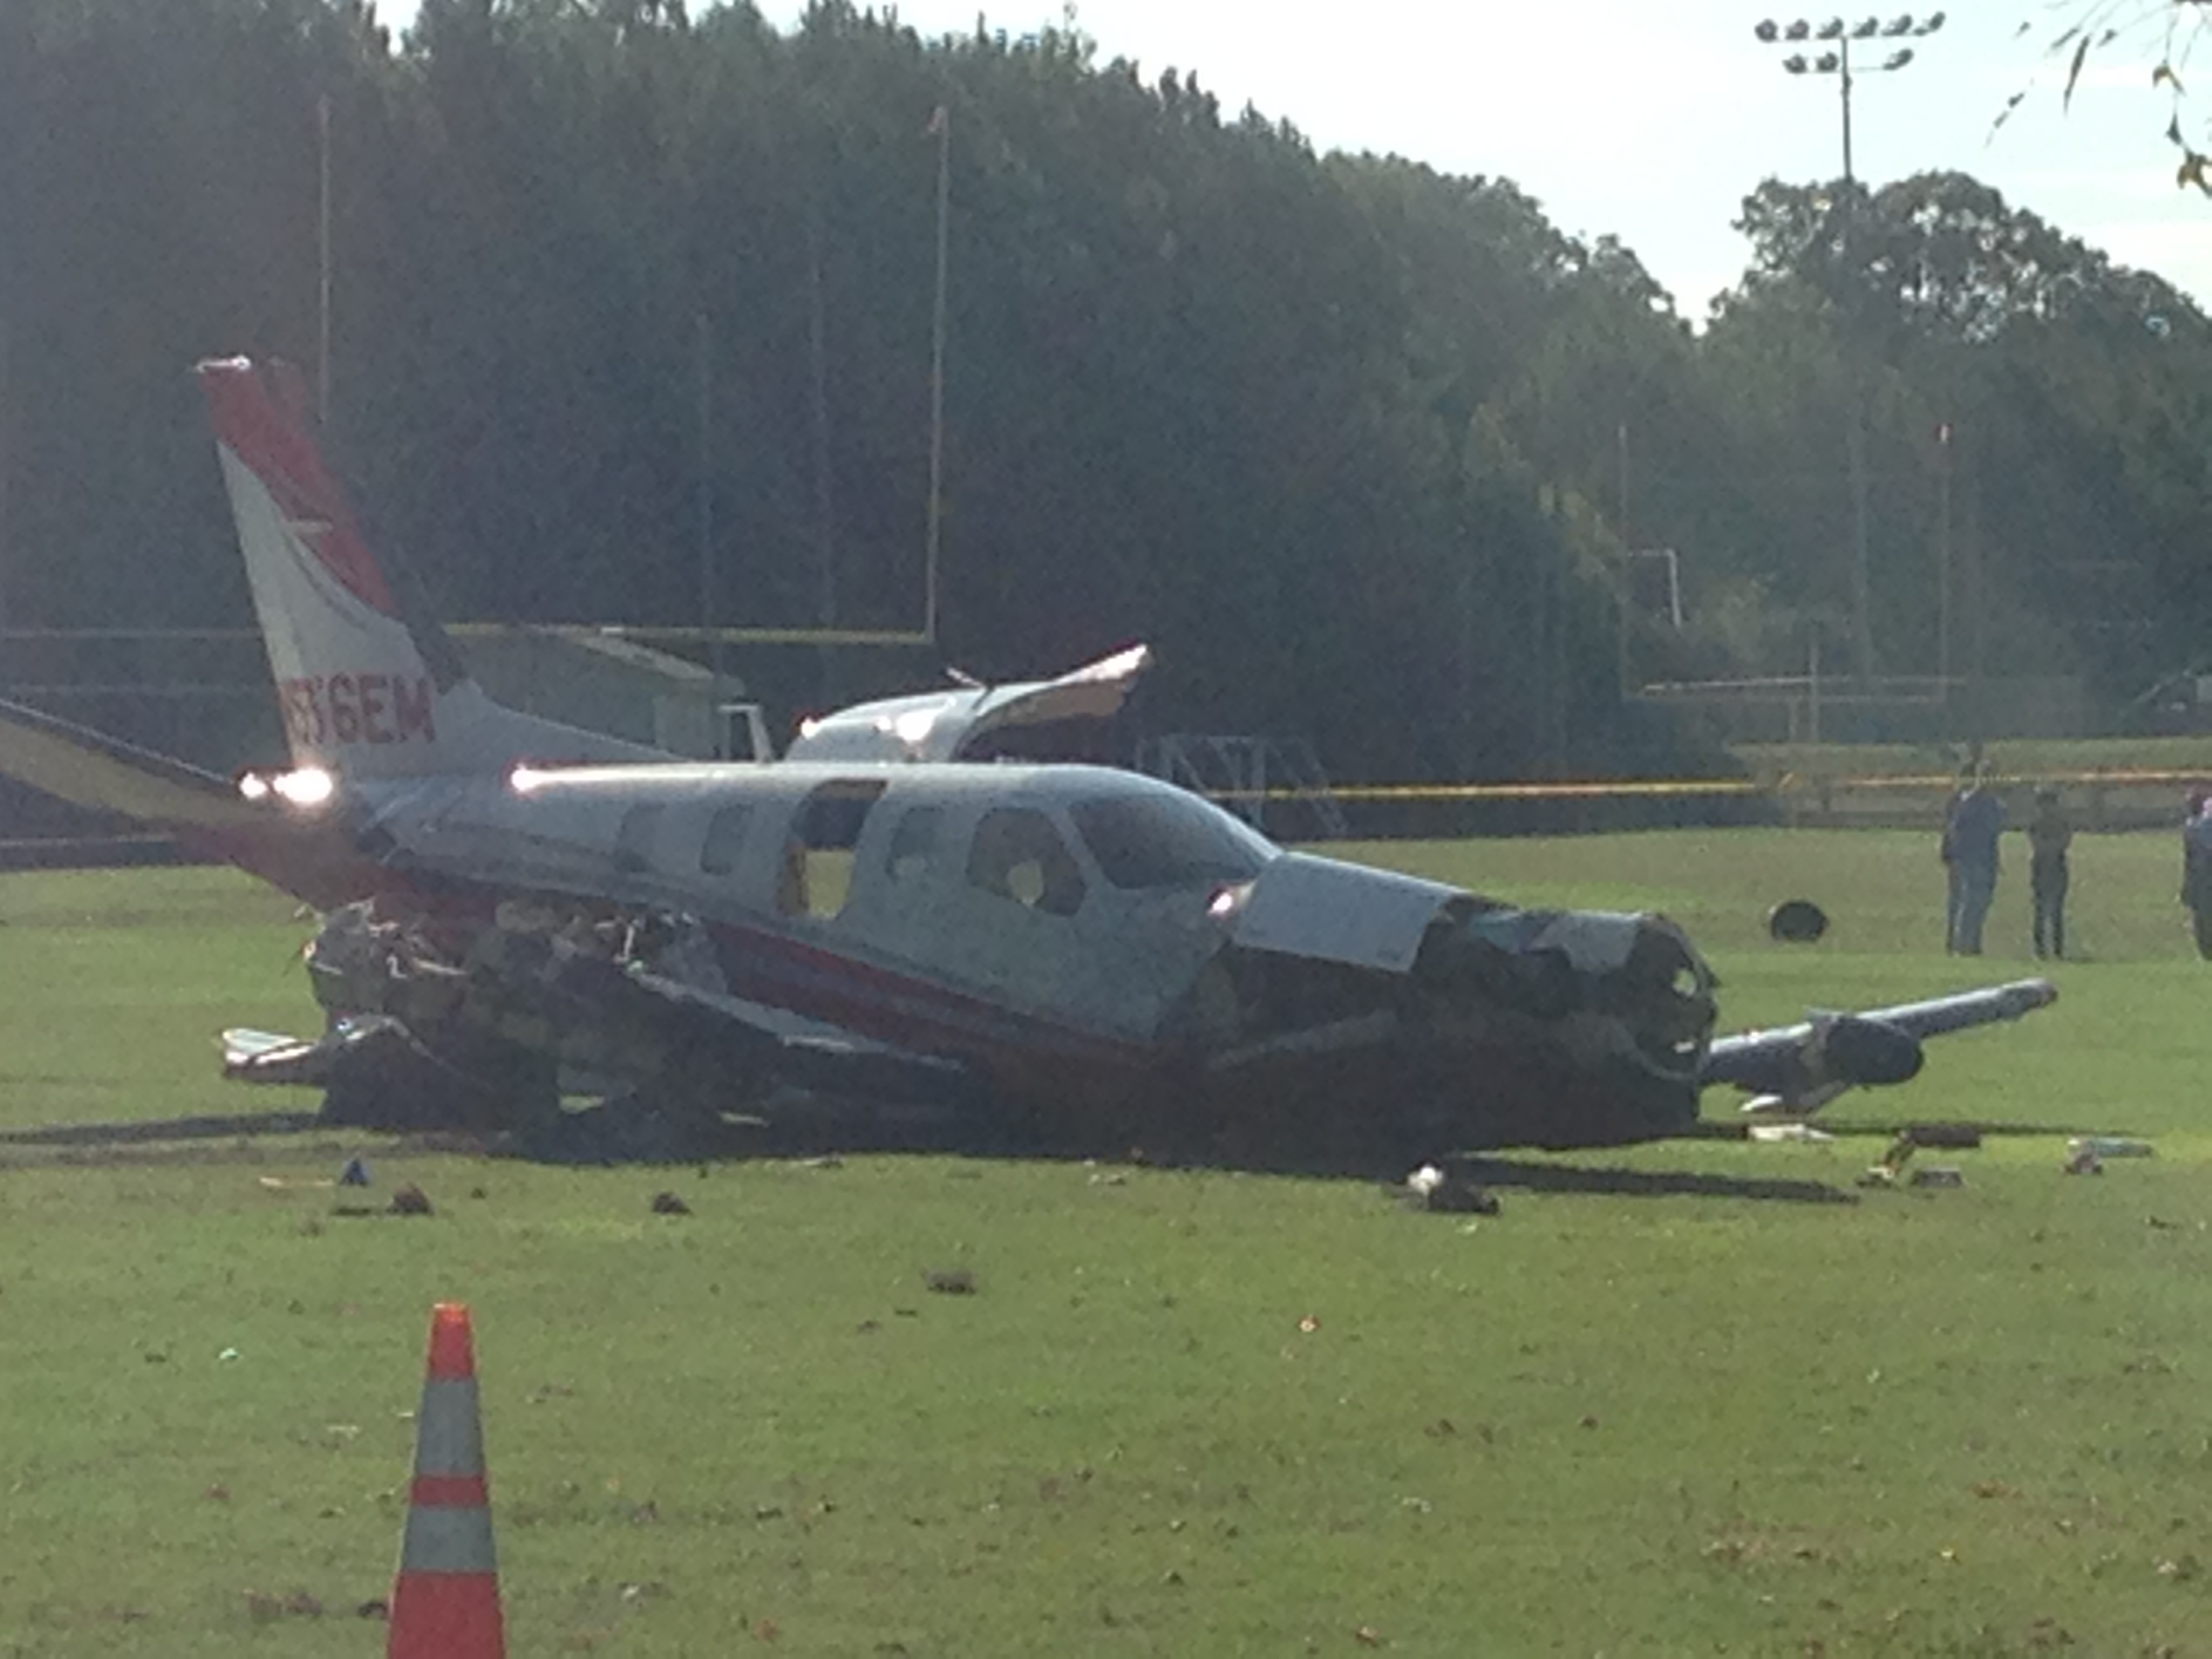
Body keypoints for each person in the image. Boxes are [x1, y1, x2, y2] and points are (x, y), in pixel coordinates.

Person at [1941, 769, 2005, 956]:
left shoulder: (1994, 805)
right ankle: (1963, 944)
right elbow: (1955, 830)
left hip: (1986, 859)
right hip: (1969, 858)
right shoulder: (1968, 803)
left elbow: (1993, 835)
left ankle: (1973, 942)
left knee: (1981, 903)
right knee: (1969, 901)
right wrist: (1956, 855)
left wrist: (1996, 859)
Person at [2026, 786, 2072, 960]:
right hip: (2040, 868)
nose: (2047, 808)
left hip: (2058, 868)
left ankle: (2058, 949)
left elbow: (2065, 841)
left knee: (2057, 911)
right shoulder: (2035, 824)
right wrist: (2049, 848)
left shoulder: (2062, 823)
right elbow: (2035, 842)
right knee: (2039, 910)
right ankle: (2039, 949)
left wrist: (2052, 848)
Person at [2183, 788, 2212, 960]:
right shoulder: (2192, 827)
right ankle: (2206, 951)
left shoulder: (2197, 827)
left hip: (2203, 879)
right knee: (2202, 918)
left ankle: (2206, 951)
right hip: (2201, 879)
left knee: (2203, 918)